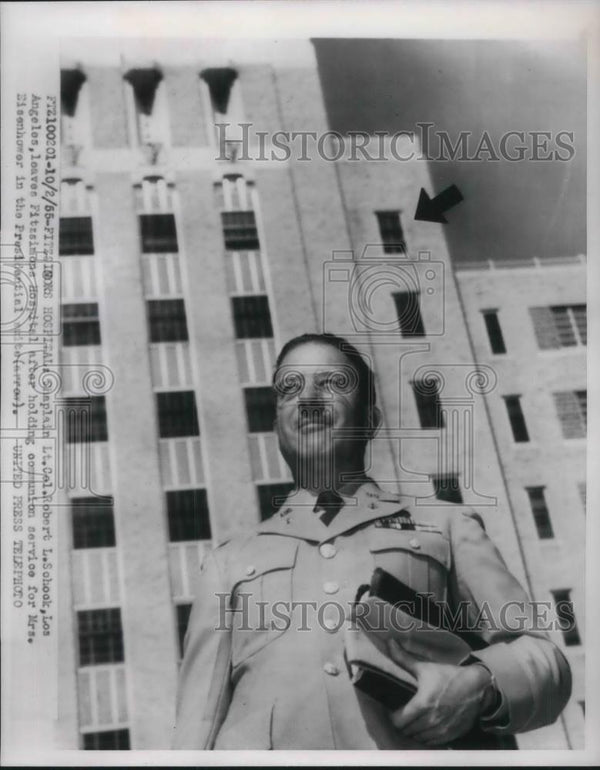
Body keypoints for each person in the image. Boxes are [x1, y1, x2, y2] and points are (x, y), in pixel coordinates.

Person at [172, 332, 572, 750]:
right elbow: (195, 725)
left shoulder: (446, 526)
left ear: (370, 419)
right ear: (276, 425)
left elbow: (545, 661)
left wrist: (479, 684)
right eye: (290, 388)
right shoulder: (227, 562)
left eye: (331, 384)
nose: (307, 399)